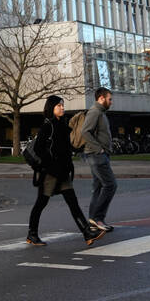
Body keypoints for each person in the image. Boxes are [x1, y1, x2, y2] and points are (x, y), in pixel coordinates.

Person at [27, 95, 106, 247]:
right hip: (50, 173)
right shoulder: (47, 126)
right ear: (51, 108)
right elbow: (38, 149)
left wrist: (78, 148)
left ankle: (87, 233)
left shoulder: (62, 124)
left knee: (73, 202)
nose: (62, 108)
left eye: (62, 105)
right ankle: (32, 234)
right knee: (41, 203)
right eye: (59, 106)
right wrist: (49, 164)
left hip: (62, 172)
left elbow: (67, 147)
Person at [81, 87, 117, 233]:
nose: (111, 102)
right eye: (110, 99)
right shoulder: (95, 112)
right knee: (110, 185)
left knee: (98, 187)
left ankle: (93, 220)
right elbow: (85, 131)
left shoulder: (100, 112)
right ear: (101, 98)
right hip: (96, 156)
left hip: (99, 155)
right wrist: (99, 149)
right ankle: (97, 218)